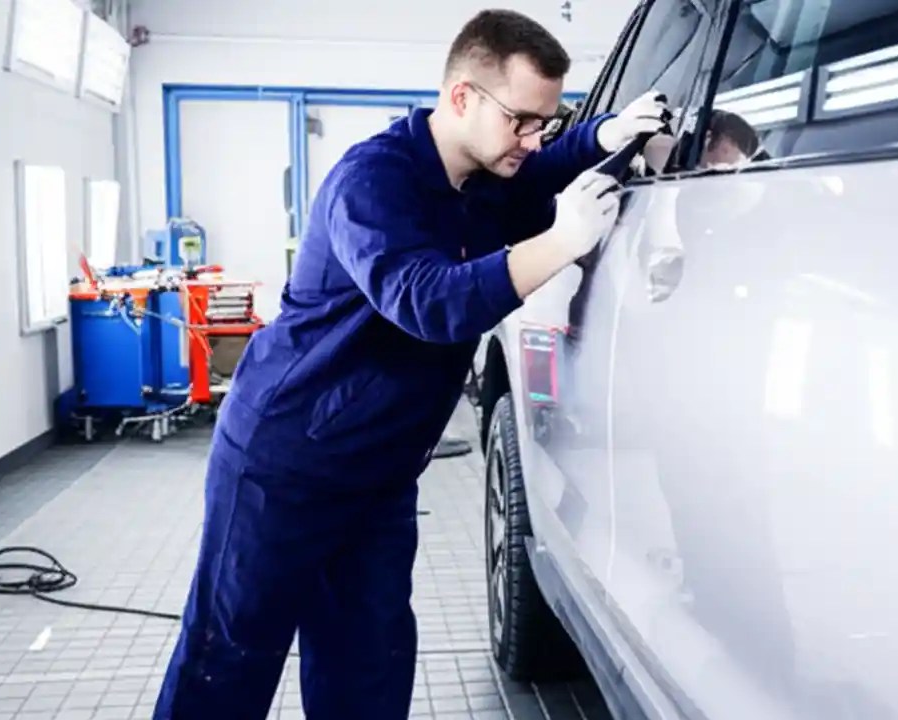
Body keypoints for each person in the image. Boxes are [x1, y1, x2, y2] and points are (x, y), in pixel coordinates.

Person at [153, 9, 668, 719]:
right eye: (522, 120)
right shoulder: (372, 183)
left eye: (546, 121)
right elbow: (428, 302)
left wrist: (602, 134)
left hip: (381, 475)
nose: (534, 139)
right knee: (230, 659)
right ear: (462, 97)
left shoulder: (488, 174)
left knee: (368, 666)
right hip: (283, 465)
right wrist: (560, 243)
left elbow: (541, 167)